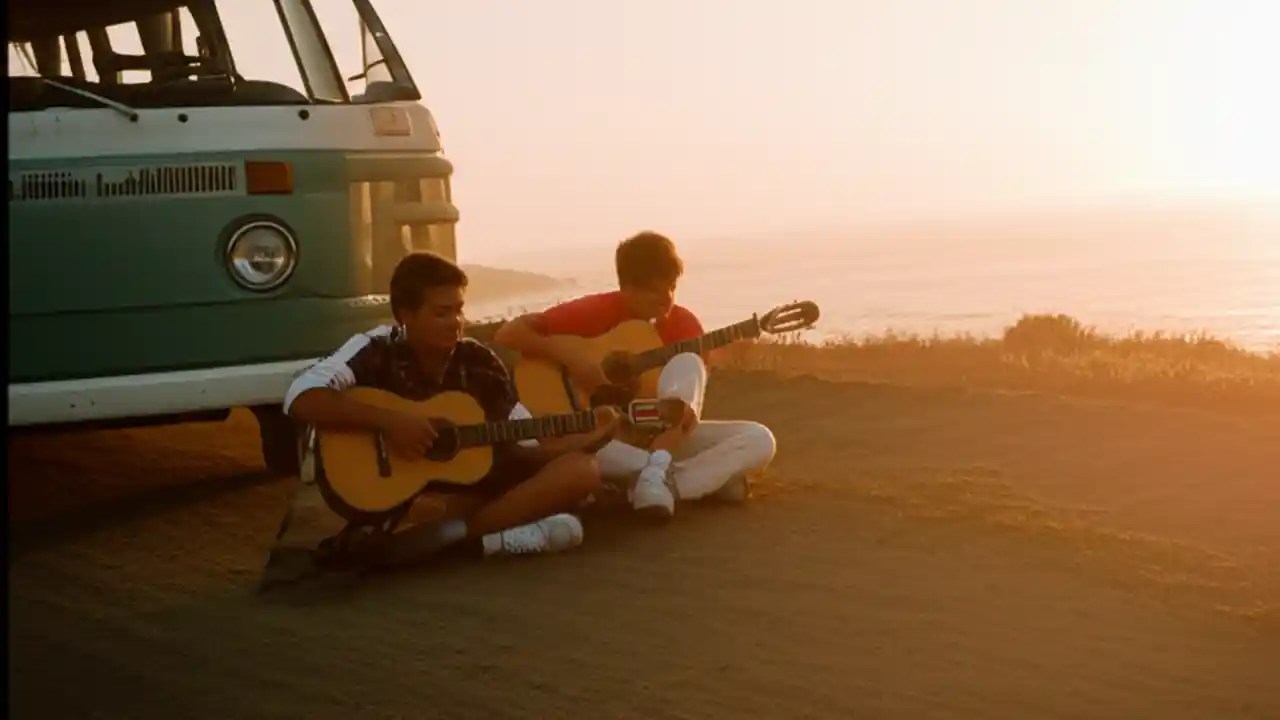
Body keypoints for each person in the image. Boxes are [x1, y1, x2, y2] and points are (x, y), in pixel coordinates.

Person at [283, 252, 619, 566]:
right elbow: (301, 397)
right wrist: (392, 422)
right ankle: (481, 533)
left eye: (459, 310)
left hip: (470, 491)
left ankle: (467, 539)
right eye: (442, 313)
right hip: (397, 493)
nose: (455, 322)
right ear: (405, 315)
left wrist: (583, 438)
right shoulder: (374, 348)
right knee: (429, 509)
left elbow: (525, 447)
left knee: (582, 470)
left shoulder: (479, 362)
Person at [494, 231, 777, 521]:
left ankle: (655, 478)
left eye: (672, 287)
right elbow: (508, 334)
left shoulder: (683, 325)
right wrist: (574, 359)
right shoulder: (598, 310)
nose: (666, 299)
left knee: (758, 438)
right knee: (577, 451)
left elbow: (687, 417)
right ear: (626, 287)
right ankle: (674, 481)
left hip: (660, 435)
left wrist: (671, 424)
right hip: (602, 440)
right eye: (654, 290)